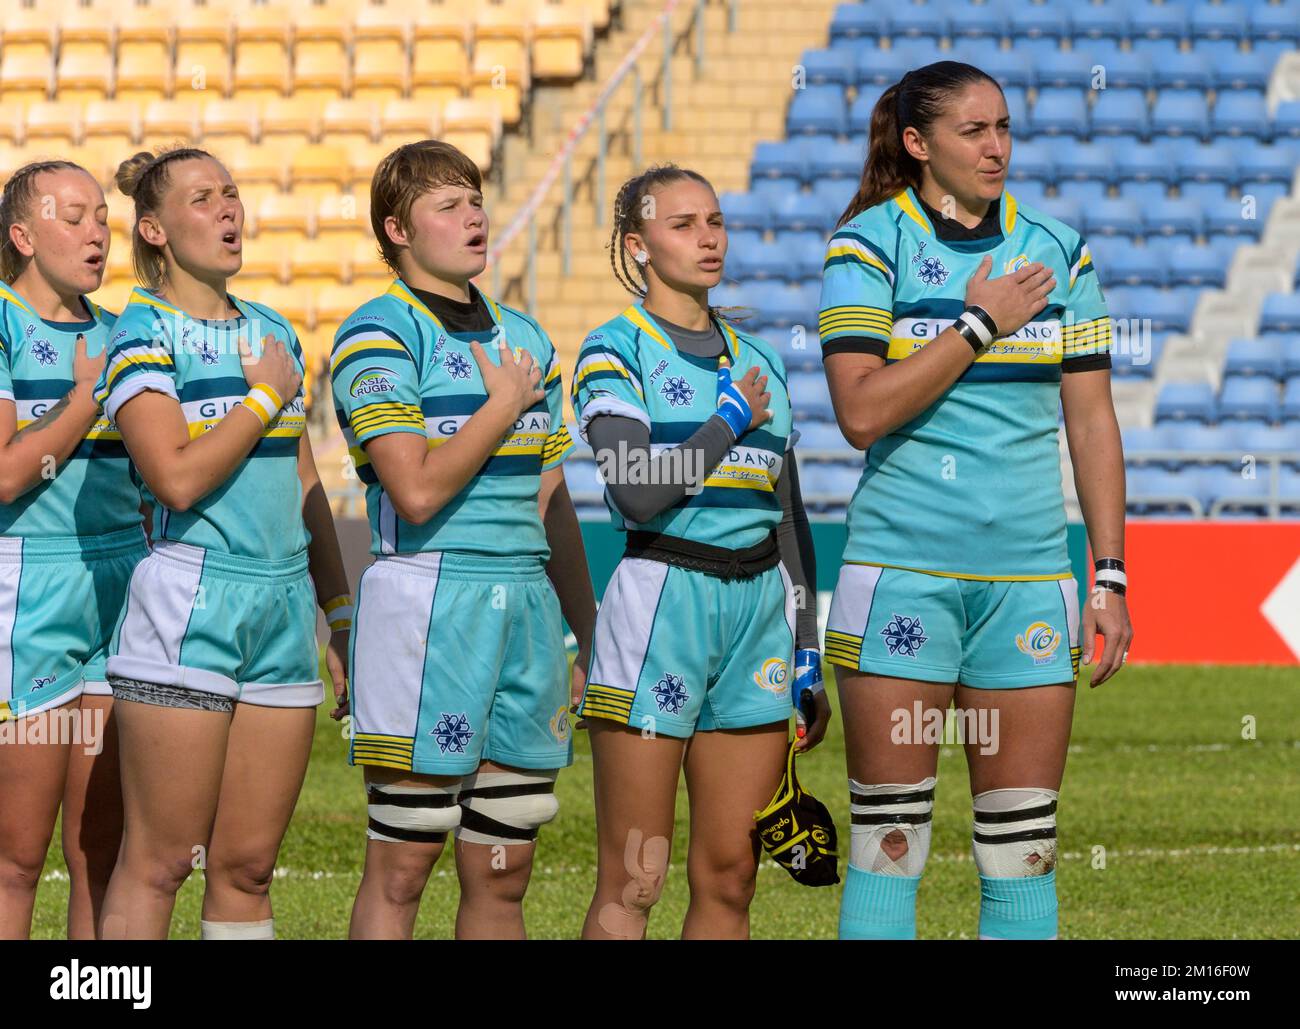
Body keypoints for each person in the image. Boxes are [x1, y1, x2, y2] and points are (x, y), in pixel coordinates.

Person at [818, 62, 1133, 940]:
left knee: (1022, 848)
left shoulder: (1061, 251)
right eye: (972, 131)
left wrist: (1109, 573)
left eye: (1003, 128)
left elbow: (1093, 422)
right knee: (890, 839)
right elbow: (861, 410)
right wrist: (977, 324)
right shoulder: (867, 246)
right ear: (917, 144)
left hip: (1030, 582)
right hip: (901, 576)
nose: (995, 148)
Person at [331, 140, 595, 940]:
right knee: (405, 865)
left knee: (504, 871)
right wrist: (500, 406)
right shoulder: (377, 333)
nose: (473, 214)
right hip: (427, 602)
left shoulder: (526, 338)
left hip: (526, 608)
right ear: (398, 230)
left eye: (475, 198)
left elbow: (552, 497)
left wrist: (587, 629)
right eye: (447, 205)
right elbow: (413, 490)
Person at [94, 147, 351, 940]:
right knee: (162, 860)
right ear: (155, 228)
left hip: (282, 612)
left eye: (232, 193)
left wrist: (339, 613)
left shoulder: (272, 327)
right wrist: (265, 393)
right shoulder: (141, 331)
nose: (229, 210)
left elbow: (306, 482)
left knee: (246, 867)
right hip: (190, 602)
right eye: (203, 198)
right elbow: (173, 478)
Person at [571, 165, 830, 940]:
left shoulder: (761, 359)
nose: (708, 237)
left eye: (714, 220)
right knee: (635, 877)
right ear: (637, 244)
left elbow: (788, 512)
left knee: (731, 875)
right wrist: (722, 423)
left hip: (756, 615)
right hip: (661, 602)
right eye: (682, 224)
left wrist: (807, 643)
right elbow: (638, 491)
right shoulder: (615, 347)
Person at [0, 160, 148, 939]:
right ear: (23, 235)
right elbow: (5, 474)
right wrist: (88, 394)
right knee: (17, 854)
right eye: (75, 215)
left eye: (103, 215)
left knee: (101, 846)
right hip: (29, 588)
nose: (97, 230)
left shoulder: (127, 331)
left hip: (123, 582)